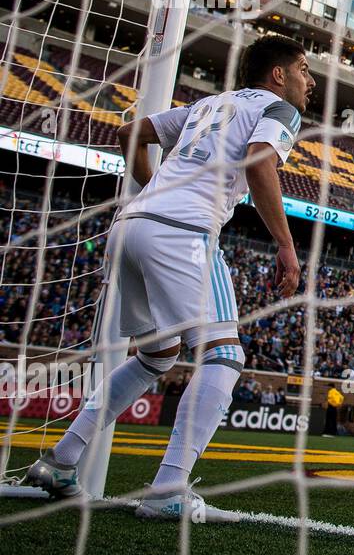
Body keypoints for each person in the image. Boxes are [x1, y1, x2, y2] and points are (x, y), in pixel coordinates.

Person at [26, 35, 313, 519]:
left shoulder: (210, 104)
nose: (311, 81)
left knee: (156, 356)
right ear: (278, 74)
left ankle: (60, 460)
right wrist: (286, 246)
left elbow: (129, 133)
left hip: (131, 227)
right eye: (304, 69)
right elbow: (261, 162)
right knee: (224, 355)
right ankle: (168, 489)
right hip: (185, 232)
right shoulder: (279, 110)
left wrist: (152, 191)